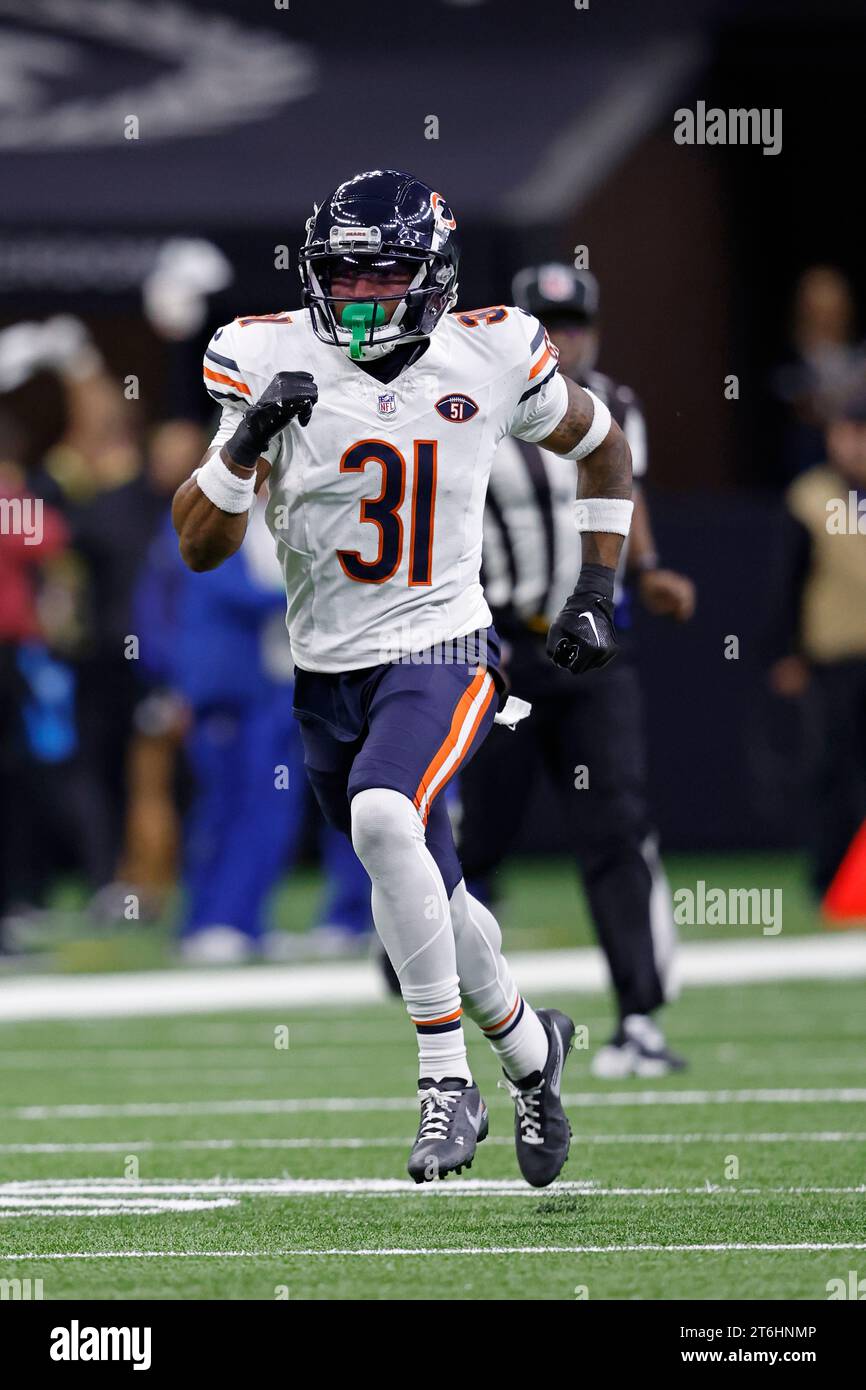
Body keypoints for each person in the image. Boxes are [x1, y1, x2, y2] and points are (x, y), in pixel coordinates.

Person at [172, 170, 633, 1186]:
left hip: (446, 647)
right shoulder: (263, 354)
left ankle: (441, 1082)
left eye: (385, 273)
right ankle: (528, 1053)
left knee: (385, 818)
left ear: (430, 276)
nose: (363, 294)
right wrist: (247, 440)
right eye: (344, 274)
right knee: (427, 884)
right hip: (327, 671)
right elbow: (197, 544)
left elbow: (603, 454)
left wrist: (595, 582)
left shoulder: (494, 349)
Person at [459, 264, 694, 1077]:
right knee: (476, 832)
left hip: (592, 650)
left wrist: (652, 565)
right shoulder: (476, 404)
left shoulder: (617, 407)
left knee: (618, 828)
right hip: (504, 654)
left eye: (573, 320)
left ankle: (641, 1019)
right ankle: (445, 1001)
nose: (561, 336)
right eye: (545, 320)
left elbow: (630, 492)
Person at [766, 388, 866, 895]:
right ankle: (830, 878)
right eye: (847, 433)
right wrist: (787, 652)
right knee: (835, 769)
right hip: (835, 657)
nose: (853, 445)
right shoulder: (812, 496)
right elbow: (789, 581)